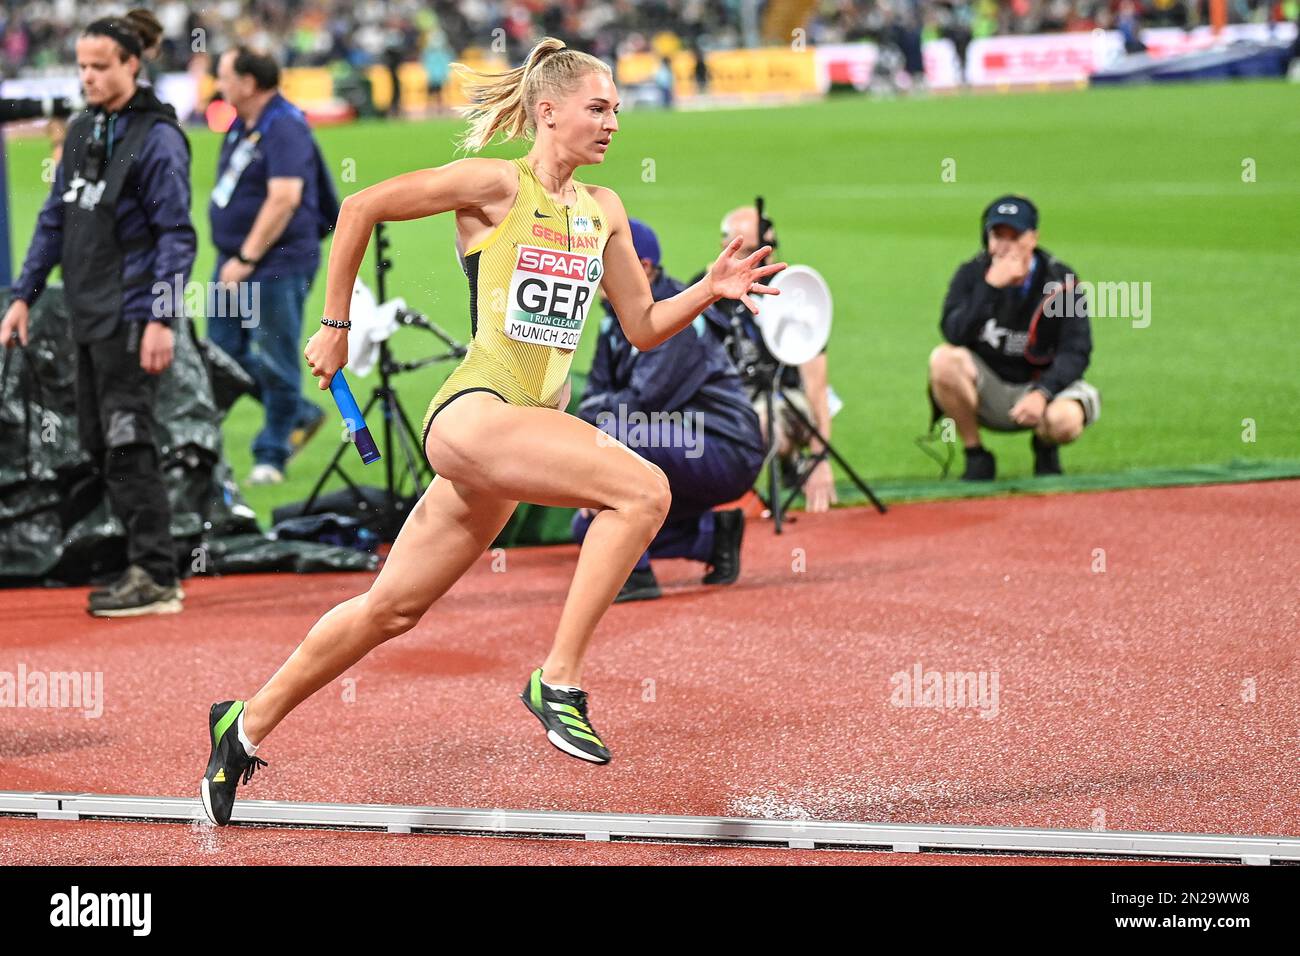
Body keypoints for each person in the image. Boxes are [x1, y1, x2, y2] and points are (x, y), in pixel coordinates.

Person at [198, 37, 785, 826]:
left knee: (391, 610)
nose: (613, 122)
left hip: (519, 435)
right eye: (598, 107)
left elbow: (642, 326)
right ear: (548, 111)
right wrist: (334, 326)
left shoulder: (603, 209)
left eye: (616, 109)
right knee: (644, 490)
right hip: (476, 411)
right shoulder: (495, 187)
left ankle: (245, 724)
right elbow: (360, 205)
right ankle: (560, 680)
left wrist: (710, 290)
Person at [1, 15, 195, 617]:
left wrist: (162, 318)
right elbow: (54, 220)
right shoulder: (84, 127)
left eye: (100, 66)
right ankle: (136, 555)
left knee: (126, 439)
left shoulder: (159, 139)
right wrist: (22, 296)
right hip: (89, 313)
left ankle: (158, 575)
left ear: (131, 64)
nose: (87, 76)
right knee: (95, 441)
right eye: (82, 65)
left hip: (133, 315)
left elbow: (176, 236)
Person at [572, 219, 765, 602]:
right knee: (588, 530)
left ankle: (637, 575)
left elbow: (636, 404)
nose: (588, 273)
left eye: (598, 262)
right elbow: (598, 394)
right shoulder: (615, 321)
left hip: (725, 446)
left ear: (642, 268)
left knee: (613, 439)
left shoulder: (674, 315)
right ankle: (713, 537)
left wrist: (595, 418)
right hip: (670, 440)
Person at [208, 46, 335, 485]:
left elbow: (285, 198)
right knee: (221, 355)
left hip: (274, 262)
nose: (217, 83)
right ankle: (297, 412)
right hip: (236, 260)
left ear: (247, 82)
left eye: (223, 74)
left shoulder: (284, 127)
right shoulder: (244, 124)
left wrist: (246, 257)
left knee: (276, 356)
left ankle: (272, 453)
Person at [929, 195, 1101, 480]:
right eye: (998, 235)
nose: (1005, 245)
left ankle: (1045, 446)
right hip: (990, 386)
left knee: (1065, 421)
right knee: (943, 359)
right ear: (987, 237)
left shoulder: (1061, 281)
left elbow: (1077, 350)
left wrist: (1043, 393)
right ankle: (976, 455)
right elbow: (953, 332)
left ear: (1033, 238)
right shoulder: (972, 274)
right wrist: (990, 288)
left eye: (1015, 235)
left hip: (1042, 385)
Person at [701, 207, 839, 512]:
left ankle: (747, 492)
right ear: (726, 248)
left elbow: (817, 386)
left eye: (769, 247)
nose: (763, 259)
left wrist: (820, 458)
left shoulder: (794, 290)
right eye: (751, 251)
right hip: (726, 401)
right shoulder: (702, 289)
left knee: (759, 420)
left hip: (785, 401)